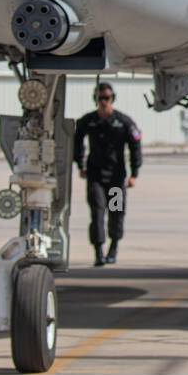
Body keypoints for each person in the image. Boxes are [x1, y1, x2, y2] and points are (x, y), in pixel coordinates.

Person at [74, 82, 143, 266]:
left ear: (112, 99)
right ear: (95, 99)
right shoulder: (89, 120)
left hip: (116, 177)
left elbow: (135, 145)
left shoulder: (123, 122)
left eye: (107, 98)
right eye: (100, 98)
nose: (104, 102)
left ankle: (113, 249)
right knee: (97, 212)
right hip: (95, 176)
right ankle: (98, 252)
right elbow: (77, 139)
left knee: (116, 212)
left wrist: (134, 173)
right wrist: (79, 164)